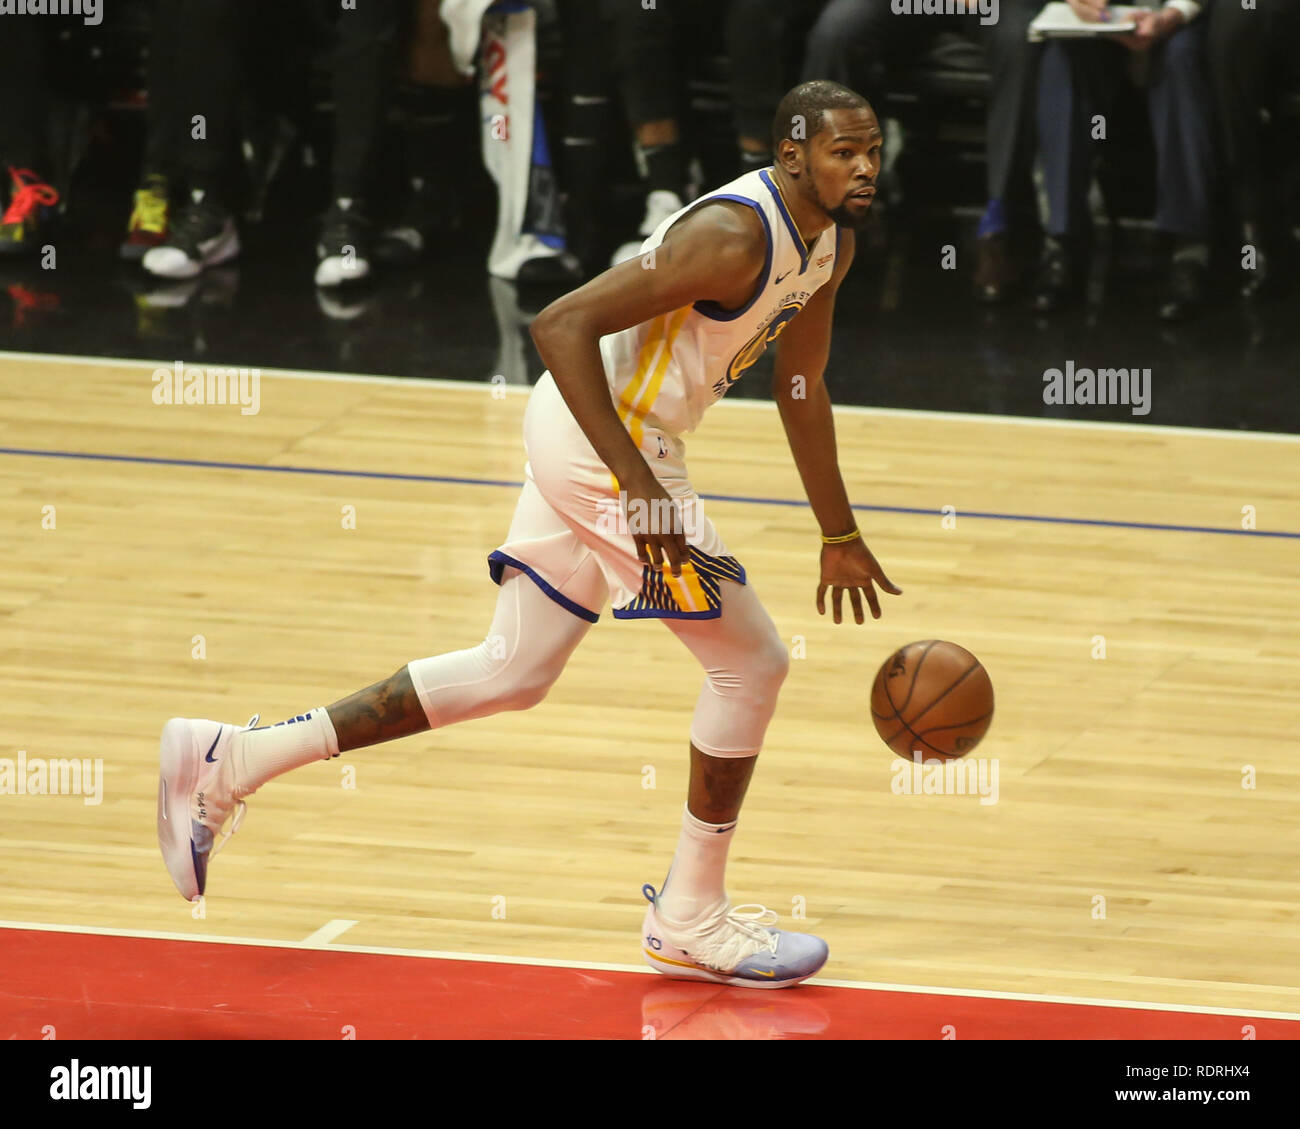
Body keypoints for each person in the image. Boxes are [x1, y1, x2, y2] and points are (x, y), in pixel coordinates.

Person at [157, 79, 902, 989]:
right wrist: (637, 488)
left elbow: (801, 388)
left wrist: (840, 529)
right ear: (792, 156)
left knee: (512, 670)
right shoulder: (734, 235)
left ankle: (233, 757)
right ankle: (689, 916)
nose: (864, 166)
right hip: (610, 441)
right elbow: (559, 324)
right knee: (752, 661)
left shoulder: (832, 244)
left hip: (614, 438)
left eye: (873, 149)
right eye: (843, 151)